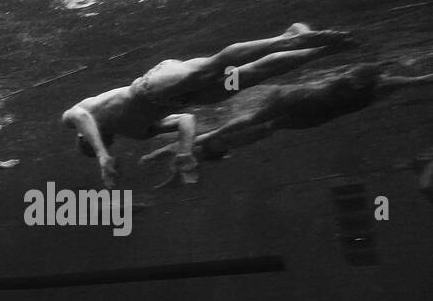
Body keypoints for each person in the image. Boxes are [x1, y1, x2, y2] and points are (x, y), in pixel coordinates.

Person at [61, 23, 356, 188]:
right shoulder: (138, 133)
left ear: (84, 135)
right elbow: (185, 121)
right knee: (250, 76)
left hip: (155, 84)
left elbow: (78, 115)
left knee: (216, 65)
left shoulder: (87, 111)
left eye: (90, 142)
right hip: (189, 98)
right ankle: (315, 49)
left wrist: (100, 155)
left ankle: (288, 40)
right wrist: (185, 152)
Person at [139, 64, 433, 183]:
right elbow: (190, 151)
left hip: (310, 112)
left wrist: (157, 158)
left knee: (262, 123)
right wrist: (158, 158)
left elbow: (419, 81)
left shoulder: (381, 86)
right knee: (258, 122)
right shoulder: (369, 86)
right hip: (304, 104)